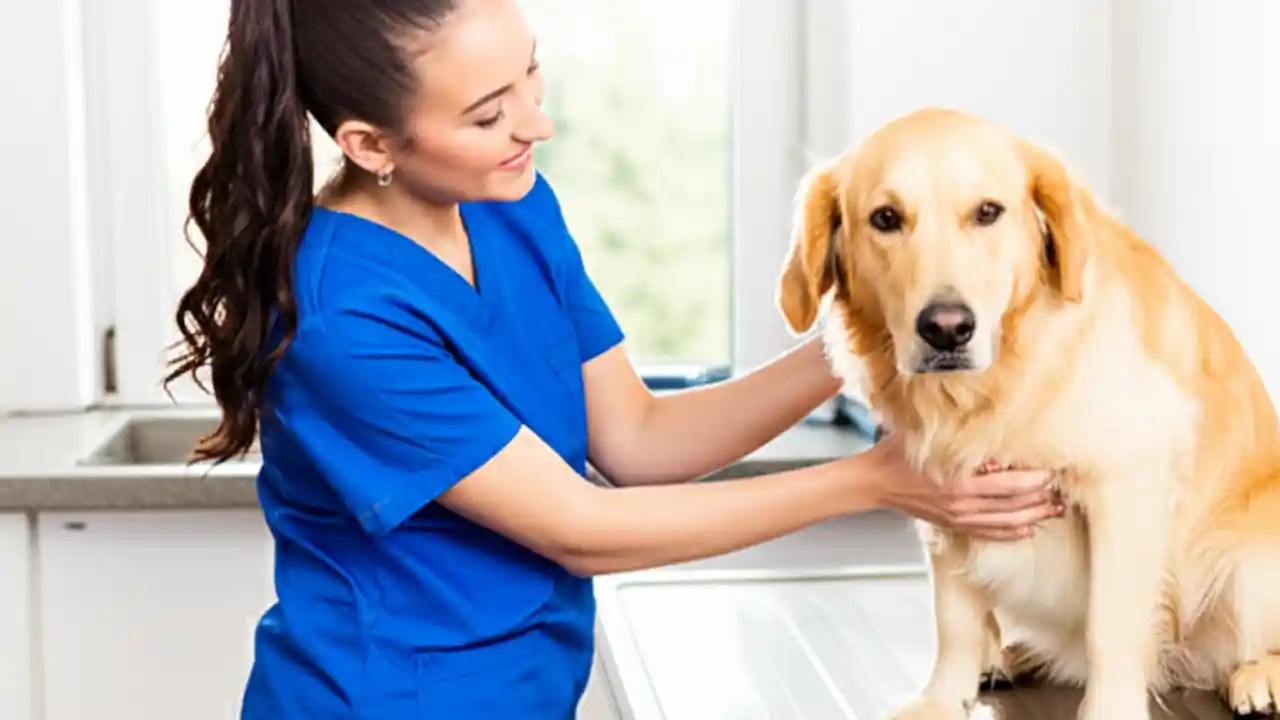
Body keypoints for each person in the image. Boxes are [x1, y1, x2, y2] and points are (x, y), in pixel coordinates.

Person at [166, 0, 1063, 717]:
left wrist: (869, 335)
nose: (537, 123)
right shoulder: (341, 312)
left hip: (529, 692)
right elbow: (576, 527)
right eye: (489, 114)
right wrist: (874, 479)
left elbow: (636, 439)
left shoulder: (508, 203)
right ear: (369, 144)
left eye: (529, 75)